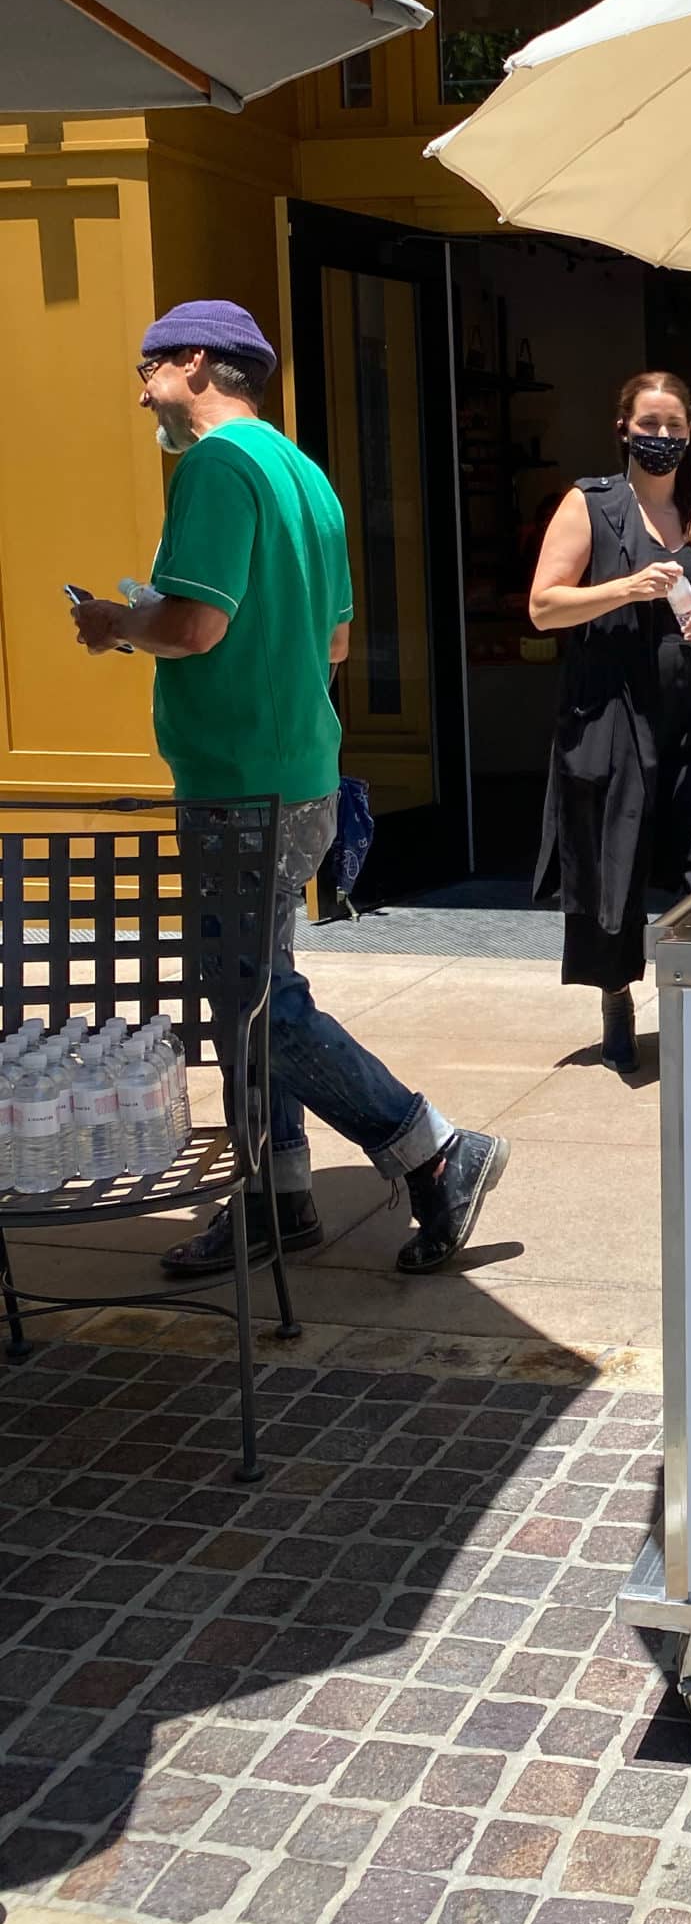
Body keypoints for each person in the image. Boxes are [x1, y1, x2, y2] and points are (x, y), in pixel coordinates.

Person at [70, 300, 510, 1276]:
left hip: (242, 782)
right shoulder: (304, 473)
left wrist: (114, 621)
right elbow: (338, 640)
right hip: (297, 773)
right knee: (250, 998)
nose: (142, 389)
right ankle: (276, 1198)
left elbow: (193, 628)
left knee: (256, 998)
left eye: (149, 367)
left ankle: (431, 1147)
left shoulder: (218, 468)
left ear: (196, 364)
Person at [528, 370, 691, 1070]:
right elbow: (544, 607)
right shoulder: (589, 505)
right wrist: (626, 586)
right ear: (623, 428)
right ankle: (616, 995)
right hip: (614, 712)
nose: (662, 438)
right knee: (612, 865)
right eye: (649, 425)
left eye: (674, 426)